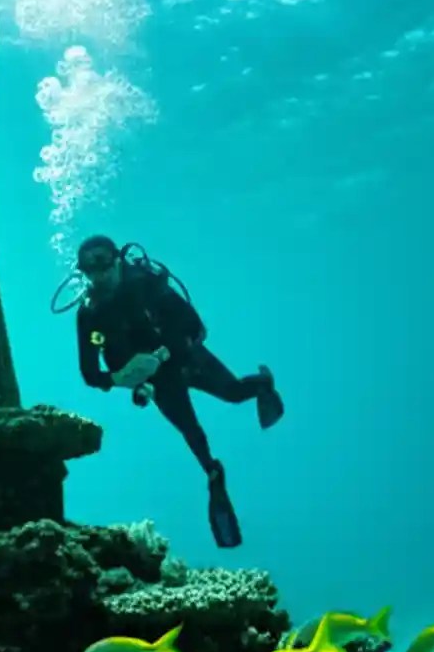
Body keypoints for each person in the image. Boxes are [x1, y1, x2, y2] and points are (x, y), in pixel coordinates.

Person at [71, 234, 284, 549]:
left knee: (234, 392)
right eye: (90, 269)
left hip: (186, 358)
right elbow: (91, 371)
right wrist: (120, 378)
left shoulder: (146, 284)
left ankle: (263, 384)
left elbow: (192, 325)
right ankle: (213, 475)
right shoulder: (91, 316)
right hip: (154, 380)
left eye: (103, 263)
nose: (99, 274)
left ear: (117, 260)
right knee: (192, 433)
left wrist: (162, 355)